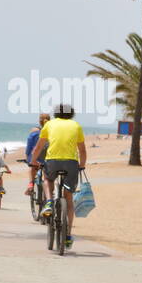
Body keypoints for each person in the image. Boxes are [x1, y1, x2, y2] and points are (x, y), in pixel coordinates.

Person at [31, 103, 86, 249]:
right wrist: (82, 165)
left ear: (55, 114)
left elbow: (39, 146)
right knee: (68, 198)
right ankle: (67, 235)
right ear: (71, 114)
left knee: (47, 179)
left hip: (53, 162)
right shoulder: (76, 126)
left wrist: (33, 160)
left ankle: (49, 201)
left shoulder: (49, 125)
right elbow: (82, 150)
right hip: (71, 163)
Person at [23, 113, 48, 196]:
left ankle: (30, 185)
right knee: (46, 173)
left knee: (32, 168)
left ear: (39, 121)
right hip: (47, 157)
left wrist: (27, 158)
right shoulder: (51, 131)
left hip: (36, 156)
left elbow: (29, 146)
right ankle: (48, 191)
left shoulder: (34, 132)